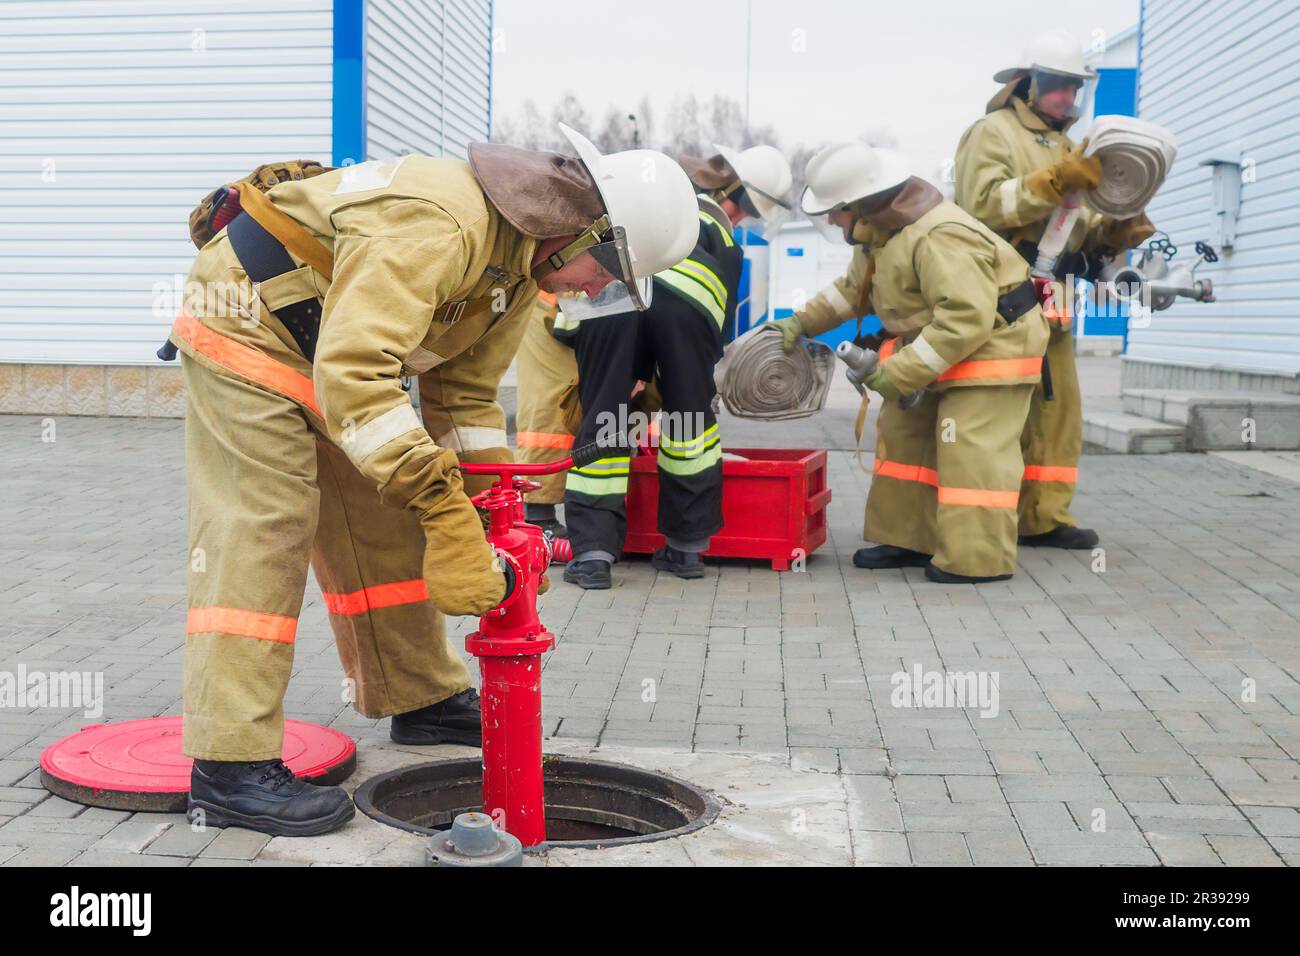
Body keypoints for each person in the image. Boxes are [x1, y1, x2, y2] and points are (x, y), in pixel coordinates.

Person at [169, 124, 698, 835]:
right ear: (581, 232)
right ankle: (229, 769)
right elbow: (357, 374)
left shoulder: (516, 269)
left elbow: (466, 399)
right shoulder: (442, 223)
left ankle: (420, 699)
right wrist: (443, 507)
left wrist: (493, 513)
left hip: (333, 350)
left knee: (387, 523)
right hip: (250, 328)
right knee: (264, 529)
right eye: (607, 272)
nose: (596, 290)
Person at [774, 143, 1048, 583]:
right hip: (941, 344)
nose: (829, 221)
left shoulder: (940, 235)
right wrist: (801, 321)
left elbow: (965, 319)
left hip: (995, 350)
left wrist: (897, 373)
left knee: (971, 452)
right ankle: (907, 538)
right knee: (904, 439)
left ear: (862, 205)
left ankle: (976, 560)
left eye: (834, 211)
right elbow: (850, 291)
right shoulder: (879, 236)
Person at [953, 29, 1155, 550]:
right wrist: (1055, 182)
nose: (1067, 97)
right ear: (1026, 84)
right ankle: (986, 521)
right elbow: (983, 205)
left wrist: (1120, 224)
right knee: (1004, 410)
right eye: (1057, 85)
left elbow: (1079, 223)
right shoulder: (993, 133)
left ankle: (1045, 517)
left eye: (1074, 87)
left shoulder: (1069, 146)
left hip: (1058, 296)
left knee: (1058, 413)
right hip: (1009, 292)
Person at [562, 144, 793, 589]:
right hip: (689, 314)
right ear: (733, 200)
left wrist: (631, 368)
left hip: (614, 296)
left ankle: (593, 556)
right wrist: (680, 371)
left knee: (606, 415)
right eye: (747, 212)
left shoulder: (653, 201)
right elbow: (716, 330)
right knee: (689, 422)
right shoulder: (724, 241)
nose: (743, 220)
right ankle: (686, 550)